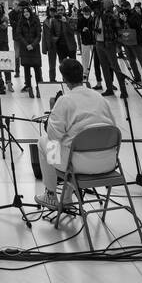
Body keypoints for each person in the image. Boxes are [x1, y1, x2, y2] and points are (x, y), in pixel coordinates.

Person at [35, 59, 117, 210]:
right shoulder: (100, 98)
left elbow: (53, 136)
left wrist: (53, 113)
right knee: (72, 143)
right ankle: (66, 198)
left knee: (45, 142)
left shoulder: (65, 100)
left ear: (64, 79)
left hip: (76, 165)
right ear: (82, 76)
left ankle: (50, 193)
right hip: (108, 162)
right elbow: (113, 129)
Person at [14, 4, 42, 97]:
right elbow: (19, 34)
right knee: (26, 69)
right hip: (25, 48)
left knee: (37, 69)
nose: (26, 13)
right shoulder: (20, 22)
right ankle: (29, 87)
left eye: (27, 11)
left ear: (30, 12)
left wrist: (33, 45)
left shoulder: (36, 21)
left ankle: (39, 87)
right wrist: (26, 45)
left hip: (35, 48)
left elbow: (39, 35)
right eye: (24, 12)